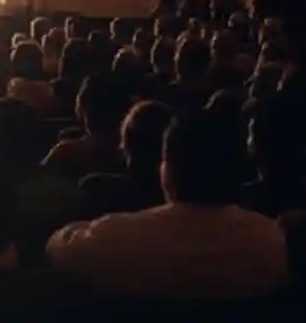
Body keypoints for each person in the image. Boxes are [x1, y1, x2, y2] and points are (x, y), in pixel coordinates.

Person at [47, 114, 287, 301]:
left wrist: (78, 228)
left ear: (167, 173)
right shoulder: (270, 243)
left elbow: (57, 249)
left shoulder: (113, 241)